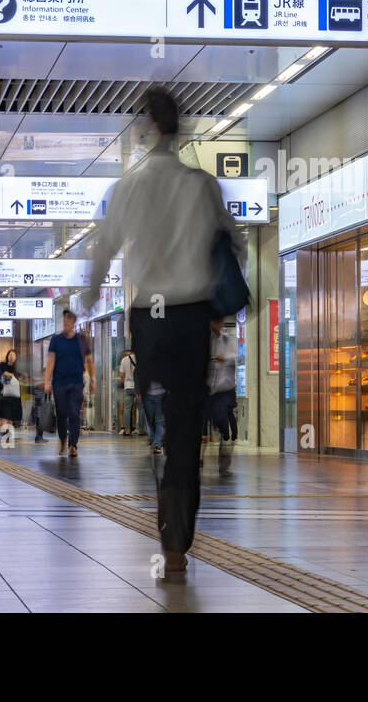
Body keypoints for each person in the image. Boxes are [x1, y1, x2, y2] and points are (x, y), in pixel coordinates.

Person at [89, 86, 246, 577]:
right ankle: (177, 541)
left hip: (149, 321)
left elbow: (104, 245)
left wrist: (89, 291)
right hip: (191, 317)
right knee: (185, 431)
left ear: (146, 130)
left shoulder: (130, 186)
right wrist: (218, 309)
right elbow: (235, 244)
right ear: (179, 129)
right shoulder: (202, 184)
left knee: (156, 409)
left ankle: (159, 473)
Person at [44, 309, 94, 456]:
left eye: (68, 320)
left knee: (74, 413)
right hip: (59, 382)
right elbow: (51, 362)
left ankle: (73, 445)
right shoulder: (56, 340)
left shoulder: (81, 340)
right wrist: (47, 381)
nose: (65, 322)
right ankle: (63, 439)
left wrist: (93, 380)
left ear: (73, 322)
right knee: (61, 413)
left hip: (76, 382)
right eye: (64, 320)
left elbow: (90, 361)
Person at [208, 322, 238, 475]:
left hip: (225, 391)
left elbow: (238, 356)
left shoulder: (229, 340)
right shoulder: (207, 341)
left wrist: (224, 358)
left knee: (222, 422)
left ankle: (224, 461)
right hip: (208, 390)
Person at [0, 349, 25, 435]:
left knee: (11, 417)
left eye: (14, 355)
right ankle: (4, 431)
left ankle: (8, 433)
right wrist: (4, 373)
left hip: (14, 395)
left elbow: (22, 378)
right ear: (7, 356)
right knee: (4, 415)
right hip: (2, 394)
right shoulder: (2, 365)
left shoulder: (18, 368)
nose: (11, 356)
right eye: (10, 354)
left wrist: (13, 375)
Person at [118, 348, 139, 435]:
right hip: (137, 387)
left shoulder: (124, 361)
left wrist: (125, 383)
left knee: (127, 409)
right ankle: (139, 429)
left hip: (128, 387)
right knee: (140, 409)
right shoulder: (138, 359)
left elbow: (122, 375)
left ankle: (127, 430)